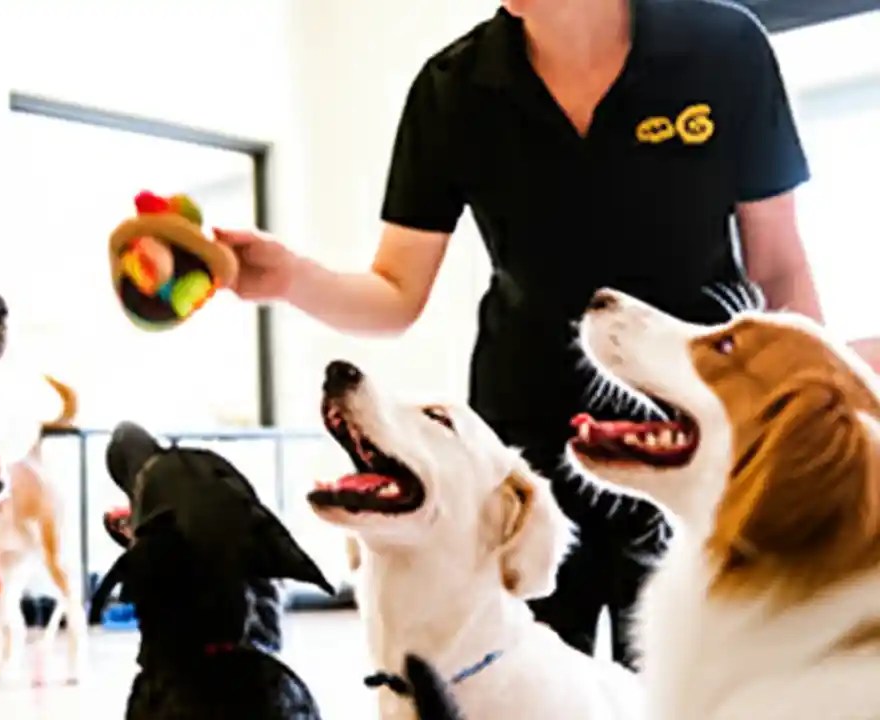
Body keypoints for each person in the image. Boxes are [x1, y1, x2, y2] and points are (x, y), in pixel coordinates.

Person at [213, 0, 875, 670]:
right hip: (527, 460)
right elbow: (395, 293)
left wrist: (826, 430)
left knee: (690, 689)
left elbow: (779, 271)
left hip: (692, 449)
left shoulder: (724, 46)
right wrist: (290, 278)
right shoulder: (453, 88)